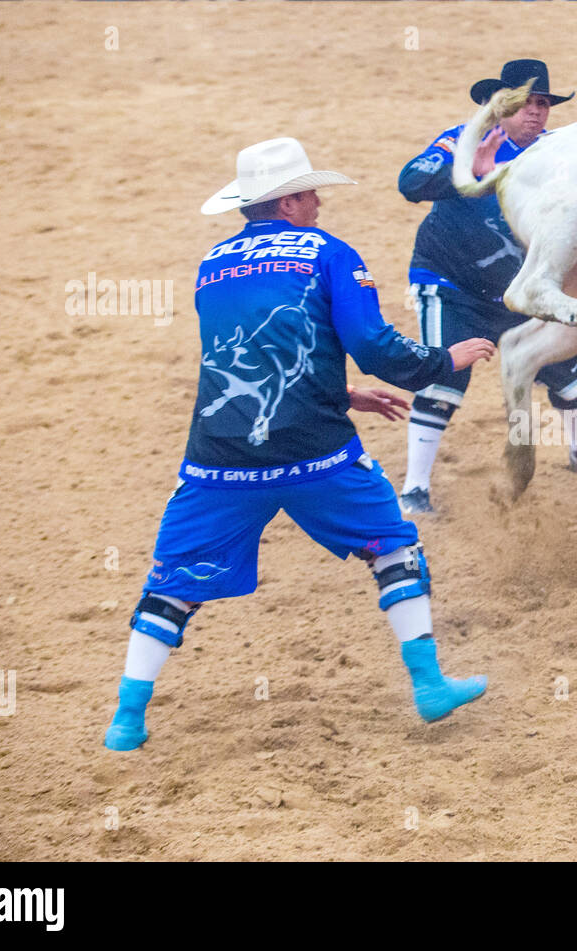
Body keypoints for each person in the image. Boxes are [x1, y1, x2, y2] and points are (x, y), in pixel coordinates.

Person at [103, 137, 496, 751]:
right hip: (316, 452)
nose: (318, 200)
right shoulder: (328, 253)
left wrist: (341, 395)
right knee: (393, 547)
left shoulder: (212, 264)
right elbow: (372, 346)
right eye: (309, 191)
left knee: (172, 585)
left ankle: (127, 719)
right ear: (285, 203)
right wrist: (443, 359)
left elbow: (260, 357)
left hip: (221, 455)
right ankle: (429, 685)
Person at [397, 58, 577, 515]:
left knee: (567, 376)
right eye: (524, 103)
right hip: (453, 282)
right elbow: (410, 182)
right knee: (443, 380)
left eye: (543, 103)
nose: (535, 112)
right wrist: (469, 171)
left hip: (525, 287)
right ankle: (415, 488)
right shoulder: (460, 140)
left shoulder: (561, 152)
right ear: (498, 105)